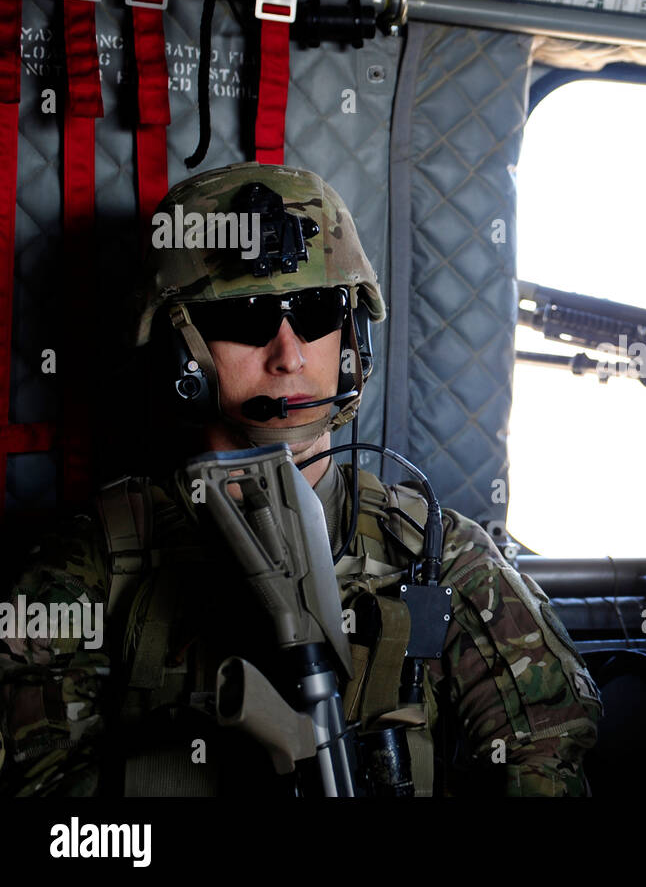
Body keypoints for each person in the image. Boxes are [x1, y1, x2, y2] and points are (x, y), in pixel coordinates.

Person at [0, 162, 601, 796]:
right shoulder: (100, 558)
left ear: (353, 336)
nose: (289, 354)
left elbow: (546, 755)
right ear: (184, 349)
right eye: (247, 318)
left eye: (315, 313)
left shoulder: (438, 553)